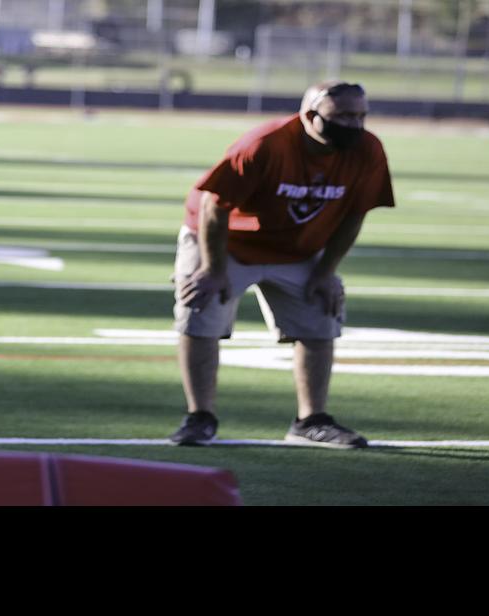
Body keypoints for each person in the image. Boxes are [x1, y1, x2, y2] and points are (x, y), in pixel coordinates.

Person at [167, 80, 396, 449]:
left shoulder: (367, 150)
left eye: (361, 115)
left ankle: (311, 420)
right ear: (310, 116)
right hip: (229, 242)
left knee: (322, 316)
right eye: (344, 116)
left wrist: (326, 272)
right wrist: (212, 268)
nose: (355, 125)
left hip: (296, 246)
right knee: (202, 307)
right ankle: (200, 417)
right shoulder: (265, 145)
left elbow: (355, 214)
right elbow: (214, 205)